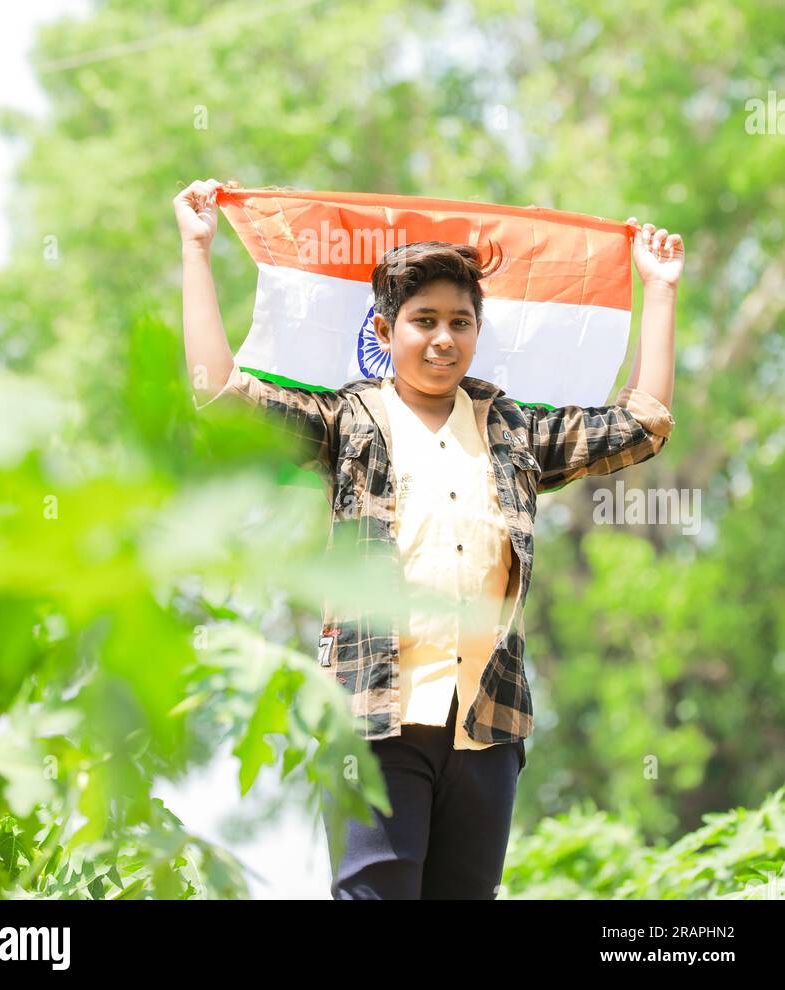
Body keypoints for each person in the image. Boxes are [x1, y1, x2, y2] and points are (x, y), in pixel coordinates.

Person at [175, 177, 683, 899]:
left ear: (477, 331)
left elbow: (643, 425)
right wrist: (197, 250)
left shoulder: (512, 430)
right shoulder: (350, 421)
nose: (443, 339)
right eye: (424, 321)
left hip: (487, 723)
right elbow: (220, 397)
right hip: (374, 717)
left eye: (460, 322)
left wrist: (658, 289)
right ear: (385, 332)